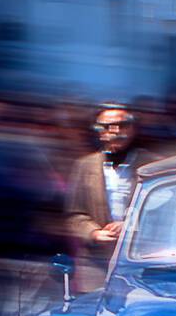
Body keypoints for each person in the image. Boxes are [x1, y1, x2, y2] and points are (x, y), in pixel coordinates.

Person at [65, 105, 156, 287]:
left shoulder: (153, 164)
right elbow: (75, 214)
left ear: (132, 129)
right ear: (98, 132)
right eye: (107, 126)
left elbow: (164, 210)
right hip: (96, 262)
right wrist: (94, 233)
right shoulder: (84, 166)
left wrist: (132, 224)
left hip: (140, 259)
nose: (114, 131)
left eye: (122, 125)